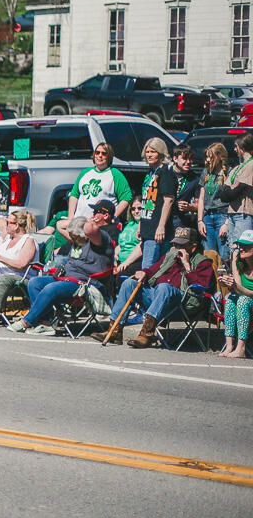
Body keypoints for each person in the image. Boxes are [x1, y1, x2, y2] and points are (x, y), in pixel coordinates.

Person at [92, 226, 214, 348]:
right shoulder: (169, 256)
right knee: (129, 283)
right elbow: (152, 270)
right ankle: (114, 330)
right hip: (157, 298)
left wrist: (186, 265)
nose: (177, 249)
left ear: (193, 247)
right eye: (176, 245)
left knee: (164, 287)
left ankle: (146, 334)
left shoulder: (203, 262)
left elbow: (201, 286)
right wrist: (144, 272)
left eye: (181, 245)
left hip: (181, 303)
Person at [9, 215, 114, 335]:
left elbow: (91, 228)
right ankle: (45, 323)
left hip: (86, 283)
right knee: (35, 282)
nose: (72, 239)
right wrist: (77, 222)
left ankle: (26, 321)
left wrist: (87, 222)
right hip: (67, 279)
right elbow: (59, 225)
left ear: (85, 233)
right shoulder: (78, 240)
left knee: (51, 288)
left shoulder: (99, 241)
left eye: (75, 236)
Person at [67, 142, 132, 221]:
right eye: (97, 153)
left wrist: (113, 217)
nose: (100, 155)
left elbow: (126, 198)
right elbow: (74, 195)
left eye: (104, 153)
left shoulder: (116, 174)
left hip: (101, 224)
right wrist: (70, 217)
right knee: (60, 225)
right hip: (80, 221)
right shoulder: (84, 172)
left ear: (109, 156)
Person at [138, 136, 176, 270]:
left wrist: (161, 226)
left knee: (149, 269)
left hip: (156, 230)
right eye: (147, 152)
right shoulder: (150, 173)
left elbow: (168, 201)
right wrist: (141, 225)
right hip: (147, 227)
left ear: (160, 153)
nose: (149, 155)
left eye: (153, 152)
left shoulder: (165, 172)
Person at [218, 229, 253, 359]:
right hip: (245, 304)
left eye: (246, 245)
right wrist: (227, 284)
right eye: (240, 245)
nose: (241, 248)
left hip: (249, 303)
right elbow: (238, 289)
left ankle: (241, 348)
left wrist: (236, 287)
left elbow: (243, 291)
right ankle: (229, 346)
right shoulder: (238, 262)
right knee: (231, 298)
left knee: (243, 300)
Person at [219, 132, 253, 247]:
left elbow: (234, 193)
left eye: (236, 146)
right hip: (232, 213)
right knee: (232, 249)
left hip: (244, 213)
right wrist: (231, 190)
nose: (234, 149)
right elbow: (224, 195)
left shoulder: (251, 165)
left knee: (241, 248)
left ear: (242, 148)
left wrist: (231, 190)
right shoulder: (237, 168)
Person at [197, 142, 230, 257]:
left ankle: (224, 274)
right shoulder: (206, 172)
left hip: (222, 216)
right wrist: (200, 220)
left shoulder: (229, 173)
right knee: (209, 254)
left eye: (211, 157)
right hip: (207, 217)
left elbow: (234, 200)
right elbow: (201, 198)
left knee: (224, 254)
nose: (208, 159)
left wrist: (226, 223)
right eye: (206, 156)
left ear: (220, 157)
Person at [115, 198, 144, 274]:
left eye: (140, 208)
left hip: (134, 262)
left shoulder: (145, 226)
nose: (136, 211)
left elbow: (142, 246)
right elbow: (121, 245)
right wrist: (114, 254)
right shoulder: (129, 225)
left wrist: (125, 263)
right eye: (133, 209)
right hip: (120, 261)